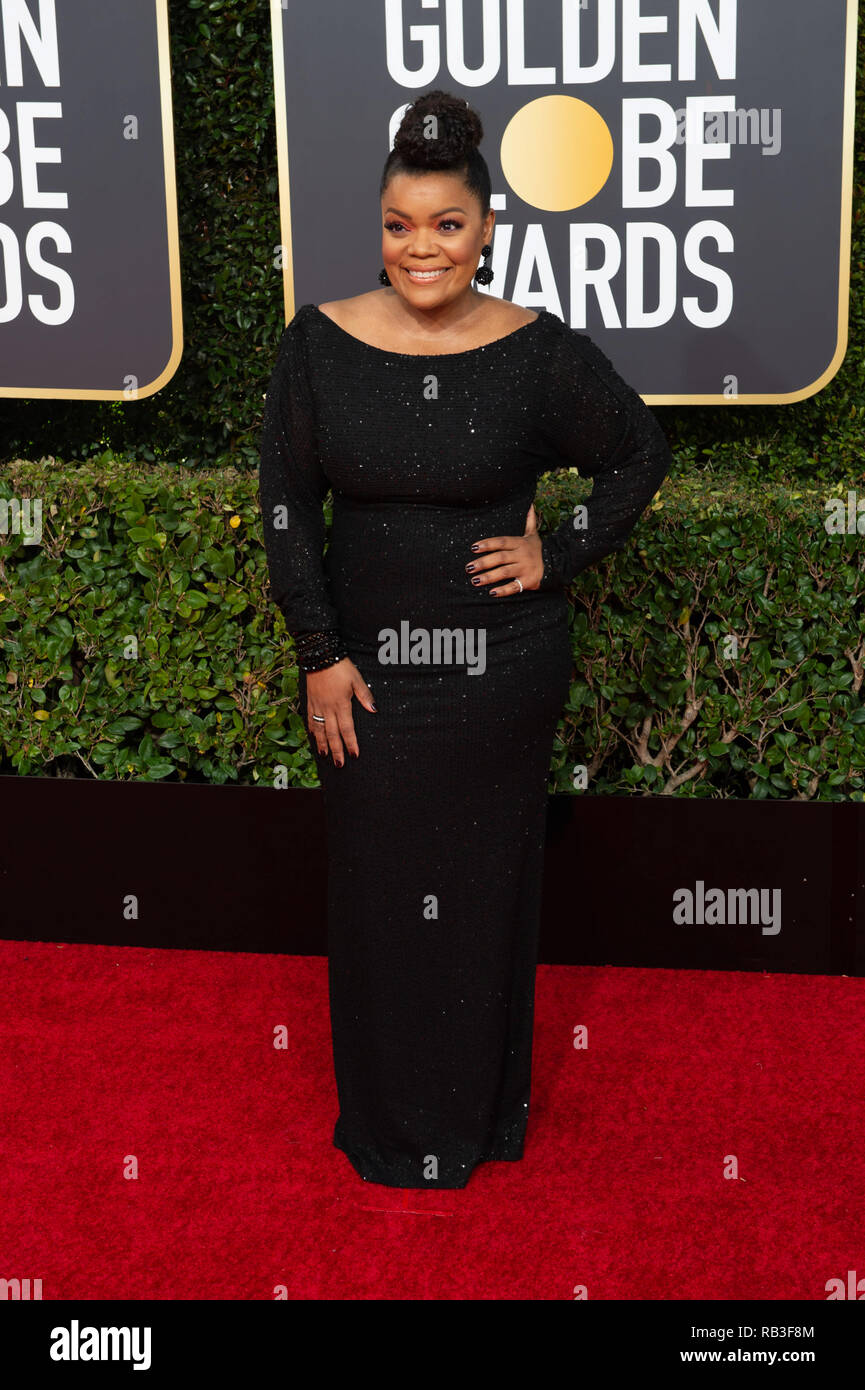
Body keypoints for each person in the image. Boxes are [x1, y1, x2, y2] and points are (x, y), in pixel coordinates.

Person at [258, 89, 672, 1189]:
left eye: (446, 224)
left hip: (503, 671)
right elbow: (288, 505)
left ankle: (482, 1120)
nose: (421, 247)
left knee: (484, 887)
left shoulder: (536, 352)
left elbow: (637, 451)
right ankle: (391, 1129)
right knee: (380, 887)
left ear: (486, 230)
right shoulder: (319, 344)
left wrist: (560, 550)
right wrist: (319, 652)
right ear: (379, 229)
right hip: (369, 676)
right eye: (400, 225)